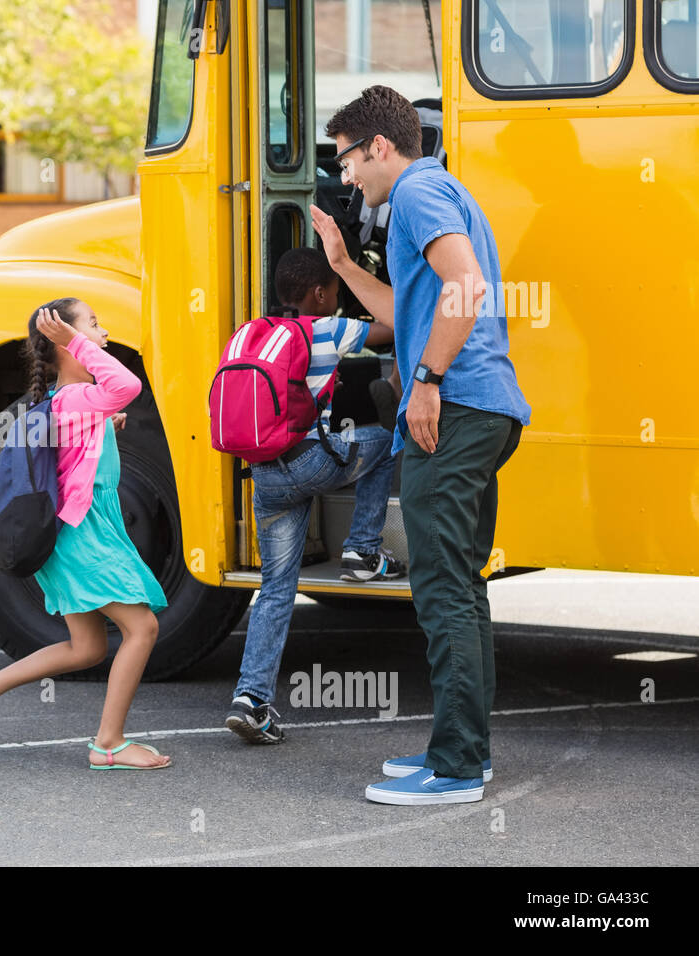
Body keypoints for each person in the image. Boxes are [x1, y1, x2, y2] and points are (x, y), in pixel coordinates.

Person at [314, 85, 530, 805]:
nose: (345, 178)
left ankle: (459, 770)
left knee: (442, 591)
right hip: (485, 408)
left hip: (458, 408)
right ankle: (461, 751)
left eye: (345, 160)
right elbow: (407, 309)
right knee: (460, 590)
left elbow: (464, 287)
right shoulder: (435, 192)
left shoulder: (414, 192)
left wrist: (429, 379)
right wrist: (343, 265)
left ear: (379, 146)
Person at [0, 299, 171, 770]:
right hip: (81, 535)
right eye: (93, 325)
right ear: (66, 345)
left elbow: (72, 459)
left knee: (87, 647)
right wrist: (76, 343)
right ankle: (108, 743)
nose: (104, 333)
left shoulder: (68, 402)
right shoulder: (73, 398)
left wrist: (103, 428)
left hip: (82, 530)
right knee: (142, 626)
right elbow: (127, 384)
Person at [225, 248, 404, 744]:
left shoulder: (252, 331)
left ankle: (251, 700)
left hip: (265, 474)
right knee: (384, 442)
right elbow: (394, 323)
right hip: (312, 462)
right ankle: (364, 550)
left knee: (276, 589)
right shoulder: (326, 328)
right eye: (335, 290)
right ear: (321, 294)